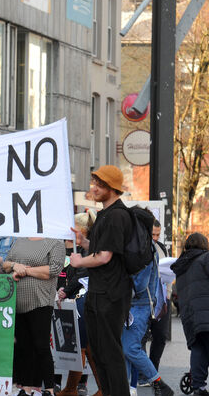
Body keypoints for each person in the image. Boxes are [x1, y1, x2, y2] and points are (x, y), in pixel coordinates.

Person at [69, 165, 136, 396]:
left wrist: (78, 262)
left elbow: (105, 257)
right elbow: (103, 250)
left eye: (100, 184)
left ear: (112, 188)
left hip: (110, 294)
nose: (94, 188)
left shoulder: (116, 215)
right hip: (100, 293)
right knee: (98, 353)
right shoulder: (105, 215)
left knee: (110, 354)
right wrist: (85, 242)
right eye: (94, 183)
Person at [3, 236, 65, 395]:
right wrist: (15, 265)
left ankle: (49, 389)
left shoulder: (55, 242)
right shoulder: (20, 241)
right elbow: (5, 264)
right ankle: (25, 387)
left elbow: (53, 270)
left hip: (41, 301)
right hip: (17, 302)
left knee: (41, 346)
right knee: (23, 347)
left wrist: (25, 270)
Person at [122, 211, 174, 396]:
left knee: (130, 347)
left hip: (137, 305)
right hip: (136, 304)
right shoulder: (143, 246)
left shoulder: (144, 248)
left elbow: (140, 284)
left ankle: (157, 382)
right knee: (126, 348)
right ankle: (128, 387)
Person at [170, 233, 209, 396]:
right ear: (204, 245)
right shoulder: (208, 258)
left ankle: (198, 387)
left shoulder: (181, 267)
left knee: (198, 349)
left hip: (190, 317)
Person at [57, 213, 97, 396]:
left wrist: (66, 291)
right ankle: (71, 388)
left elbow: (82, 275)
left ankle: (72, 388)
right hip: (81, 300)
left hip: (84, 300)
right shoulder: (82, 248)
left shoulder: (87, 250)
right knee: (84, 346)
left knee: (83, 346)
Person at [140, 219, 171, 385]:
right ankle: (145, 374)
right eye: (153, 234)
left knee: (160, 336)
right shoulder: (138, 248)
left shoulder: (161, 247)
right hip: (144, 299)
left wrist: (168, 294)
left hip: (161, 297)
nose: (155, 237)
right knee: (142, 337)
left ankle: (153, 370)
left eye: (158, 234)